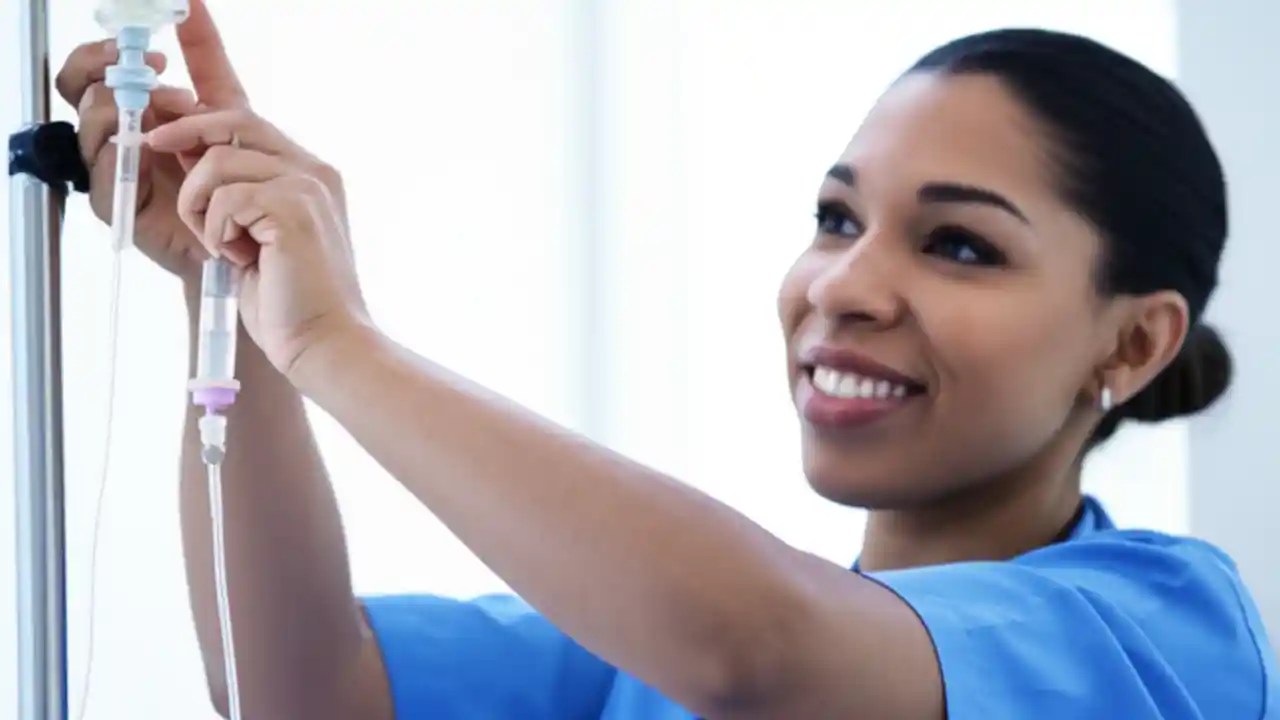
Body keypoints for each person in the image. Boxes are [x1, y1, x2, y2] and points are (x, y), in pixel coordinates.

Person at [57, 1, 1277, 718]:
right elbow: (302, 688)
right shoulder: (633, 647)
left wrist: (336, 342)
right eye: (836, 219)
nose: (842, 286)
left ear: (1130, 341)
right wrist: (244, 303)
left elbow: (758, 650)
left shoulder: (1160, 634)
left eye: (958, 245)